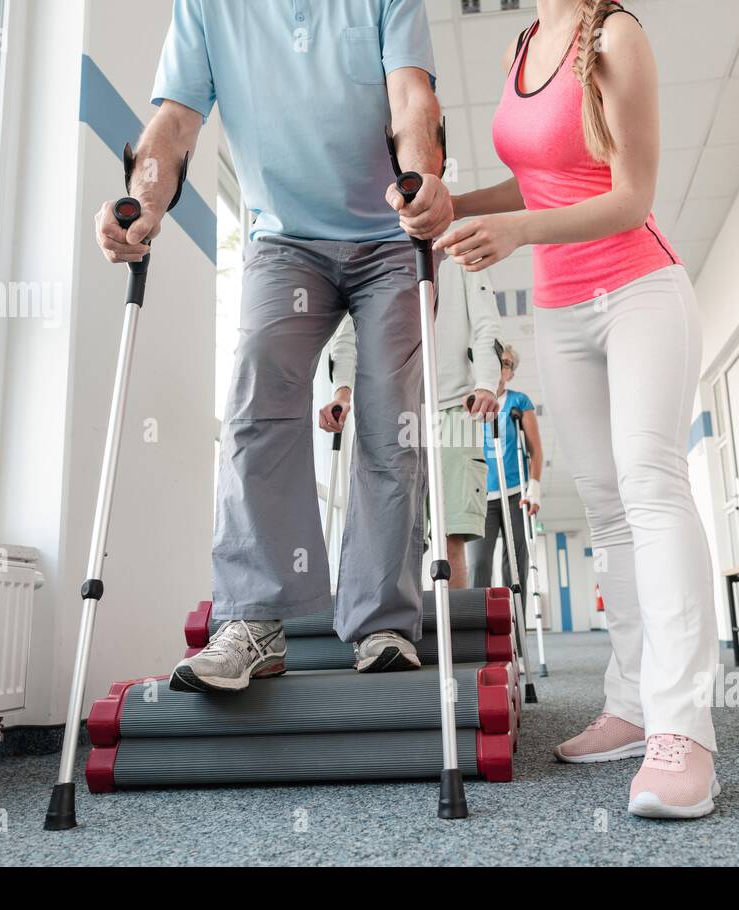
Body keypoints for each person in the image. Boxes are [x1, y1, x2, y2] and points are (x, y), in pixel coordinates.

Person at [94, 0, 454, 689]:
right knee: (257, 397)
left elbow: (412, 97)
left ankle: (382, 621)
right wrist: (143, 201)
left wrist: (420, 177)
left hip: (389, 236)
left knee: (391, 421)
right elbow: (174, 123)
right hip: (284, 240)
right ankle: (254, 618)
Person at [433, 0, 721, 818]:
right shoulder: (525, 43)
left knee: (651, 483)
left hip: (638, 289)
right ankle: (631, 707)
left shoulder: (618, 35)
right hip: (563, 310)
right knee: (607, 509)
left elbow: (632, 197)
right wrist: (459, 207)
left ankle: (684, 729)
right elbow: (534, 179)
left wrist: (519, 228)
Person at [323, 257, 501, 588]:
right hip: (393, 409)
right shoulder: (374, 254)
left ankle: (453, 627)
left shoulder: (463, 256)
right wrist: (342, 393)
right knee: (399, 538)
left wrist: (486, 384)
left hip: (455, 409)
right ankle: (401, 628)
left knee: (451, 538)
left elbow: (486, 325)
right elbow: (349, 332)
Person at [466, 345, 543, 593]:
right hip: (481, 495)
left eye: (507, 364)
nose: (501, 367)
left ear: (510, 373)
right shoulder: (471, 400)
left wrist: (534, 488)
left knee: (516, 567)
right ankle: (479, 626)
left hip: (514, 495)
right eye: (497, 361)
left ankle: (516, 629)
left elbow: (535, 450)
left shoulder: (519, 401)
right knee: (478, 565)